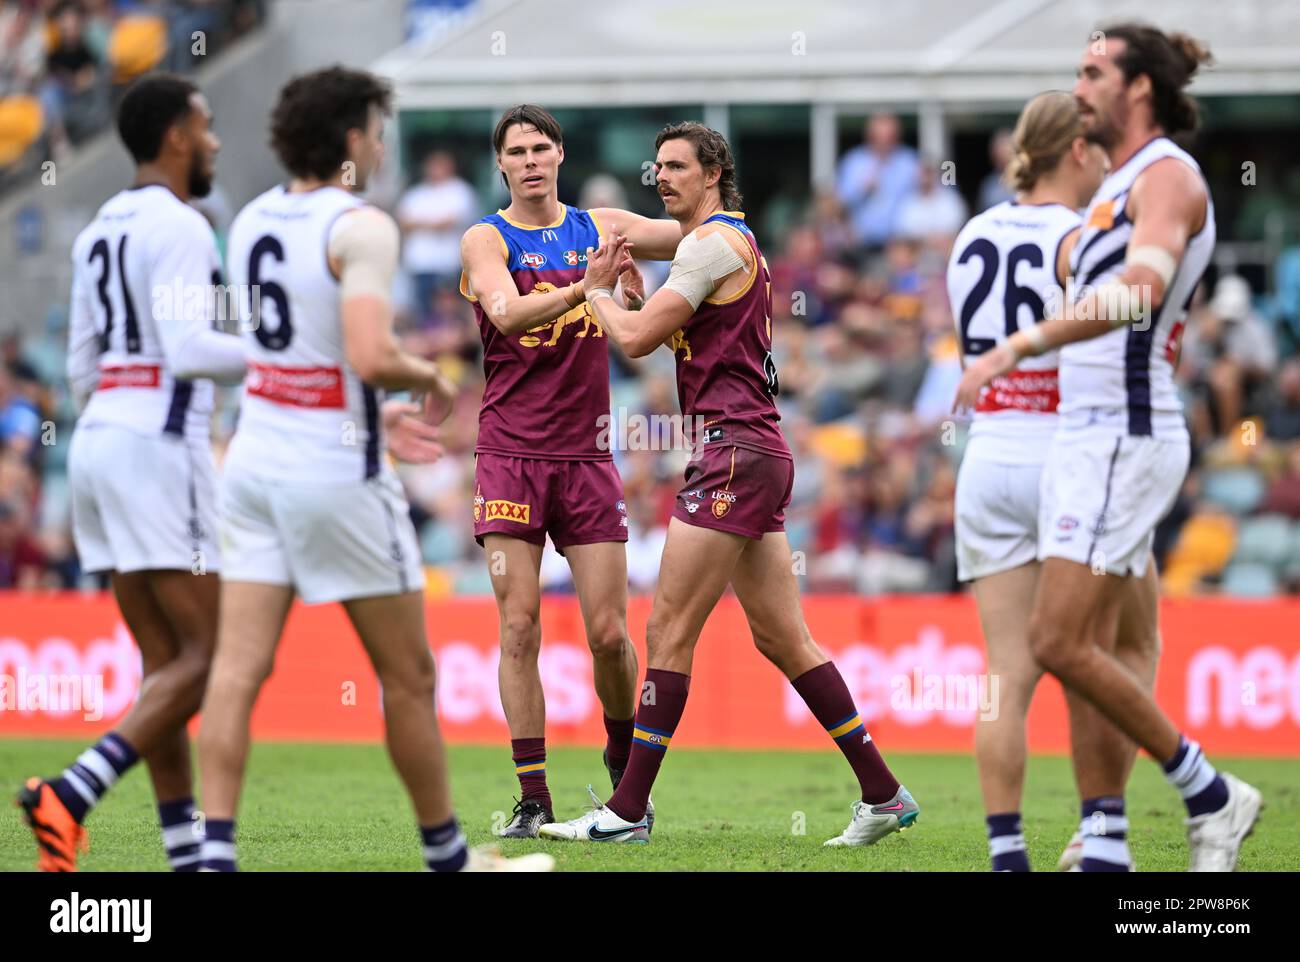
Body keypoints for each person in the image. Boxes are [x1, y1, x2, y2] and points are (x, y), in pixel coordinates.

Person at [196, 67, 550, 873]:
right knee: (408, 675)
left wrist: (359, 403)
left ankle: (212, 857)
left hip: (254, 460)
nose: (384, 144)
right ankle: (451, 860)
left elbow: (281, 354)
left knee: (238, 670)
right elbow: (365, 352)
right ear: (354, 138)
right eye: (378, 130)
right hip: (333, 476)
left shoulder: (251, 218)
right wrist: (426, 378)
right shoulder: (363, 225)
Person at [540, 122, 917, 846]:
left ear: (713, 172)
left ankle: (625, 813)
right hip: (753, 449)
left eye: (677, 167)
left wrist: (592, 293)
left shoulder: (711, 244)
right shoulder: (720, 244)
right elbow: (653, 292)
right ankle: (884, 793)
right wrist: (613, 273)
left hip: (732, 452)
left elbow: (634, 338)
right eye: (658, 169)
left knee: (666, 629)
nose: (664, 179)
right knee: (782, 636)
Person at [954, 24, 1261, 871]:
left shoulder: (1166, 175)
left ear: (1136, 91)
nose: (1077, 85)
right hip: (1077, 439)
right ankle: (1107, 847)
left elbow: (1142, 289)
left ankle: (1210, 792)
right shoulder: (1109, 189)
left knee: (1053, 645)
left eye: (1092, 71)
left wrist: (1021, 345)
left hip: (1123, 433)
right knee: (1087, 645)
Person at [17, 73, 242, 872]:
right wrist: (287, 351)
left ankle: (184, 855)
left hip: (99, 440)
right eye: (207, 126)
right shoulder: (180, 223)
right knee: (210, 660)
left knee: (166, 669)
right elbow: (188, 349)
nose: (214, 141)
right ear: (178, 135)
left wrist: (116, 405)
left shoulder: (96, 230)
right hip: (157, 442)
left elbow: (79, 367)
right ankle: (73, 792)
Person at [948, 90, 1160, 872]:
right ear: (1079, 151)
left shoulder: (971, 233)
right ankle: (1095, 832)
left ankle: (1007, 852)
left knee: (1006, 671)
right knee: (1119, 649)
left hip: (989, 456)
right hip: (1067, 453)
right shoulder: (1082, 235)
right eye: (1099, 144)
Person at [458, 104, 683, 838]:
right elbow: (508, 312)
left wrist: (636, 292)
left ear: (559, 154)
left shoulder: (603, 227)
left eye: (540, 147)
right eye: (515, 150)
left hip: (587, 455)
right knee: (518, 624)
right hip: (509, 455)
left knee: (611, 633)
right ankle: (534, 797)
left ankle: (623, 770)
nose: (528, 159)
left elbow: (696, 231)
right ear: (501, 165)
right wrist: (587, 289)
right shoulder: (484, 238)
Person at [397, 150, 478, 323]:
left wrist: (420, 223)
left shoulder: (460, 190)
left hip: (449, 264)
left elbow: (448, 222)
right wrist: (433, 223)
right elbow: (404, 223)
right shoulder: (415, 194)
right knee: (424, 317)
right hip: (421, 266)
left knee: (453, 316)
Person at [834, 112, 919, 254]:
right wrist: (861, 189)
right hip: (859, 244)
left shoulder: (910, 161)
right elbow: (839, 202)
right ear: (869, 136)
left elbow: (947, 174)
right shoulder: (854, 162)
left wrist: (947, 175)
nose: (884, 142)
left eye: (890, 137)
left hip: (900, 246)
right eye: (879, 137)